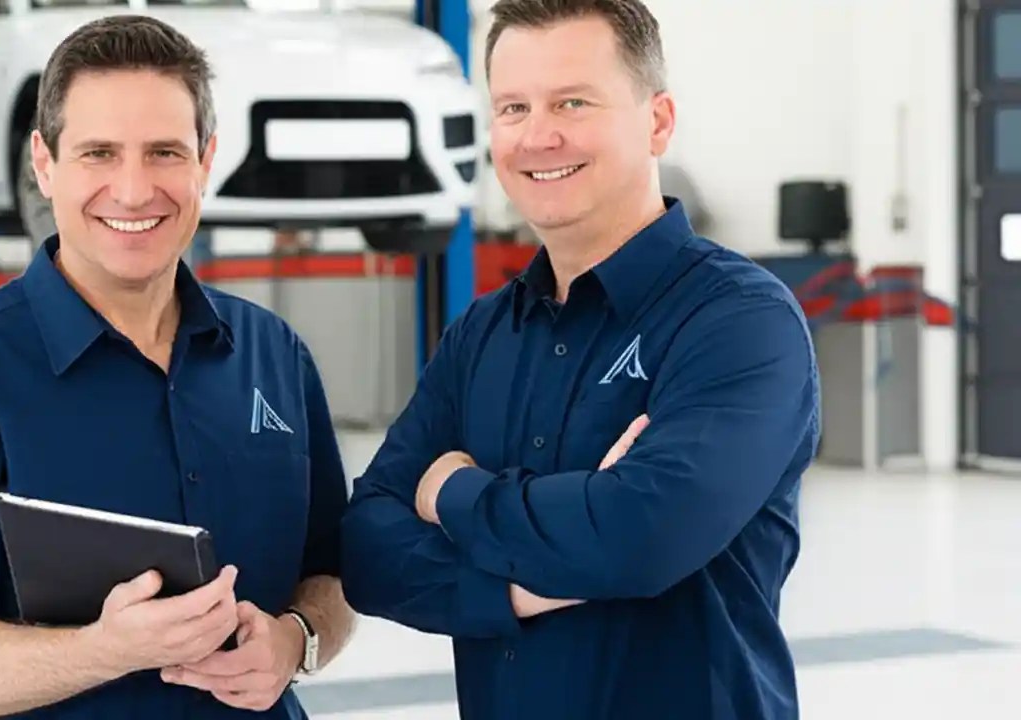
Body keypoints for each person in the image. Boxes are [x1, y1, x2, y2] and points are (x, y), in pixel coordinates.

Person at [0, 15, 354, 719]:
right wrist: (105, 648)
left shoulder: (275, 356)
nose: (132, 190)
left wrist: (296, 638)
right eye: (98, 153)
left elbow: (330, 574)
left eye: (164, 153)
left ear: (205, 162)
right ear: (44, 163)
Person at [339, 0, 821, 718]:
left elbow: (642, 539)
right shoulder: (481, 335)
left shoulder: (740, 322)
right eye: (512, 108)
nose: (538, 135)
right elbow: (369, 550)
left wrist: (452, 494)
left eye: (572, 101)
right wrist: (526, 584)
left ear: (657, 120)